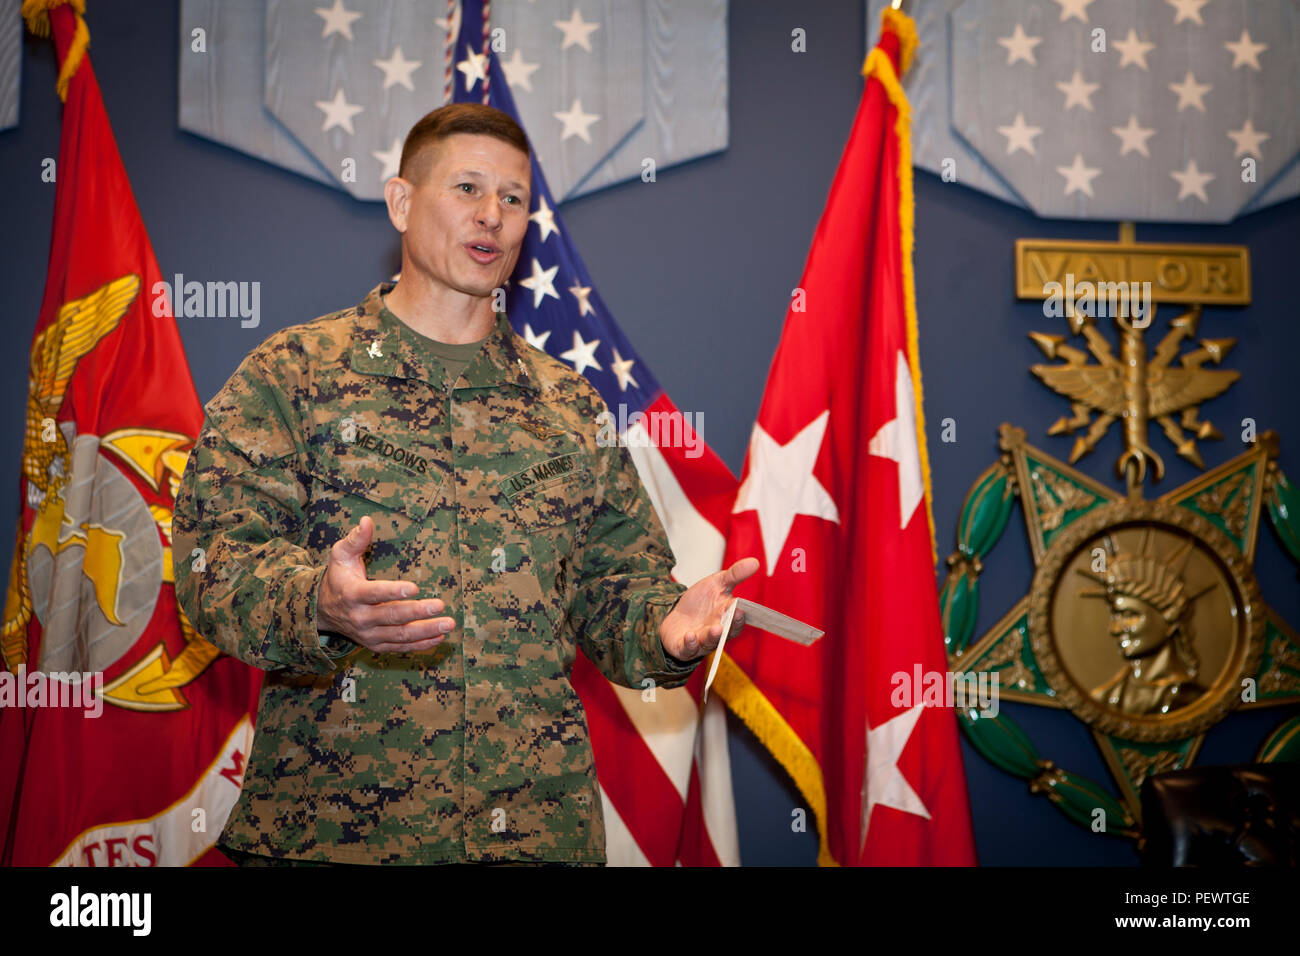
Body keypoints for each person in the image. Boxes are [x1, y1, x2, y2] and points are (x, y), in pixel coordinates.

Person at [172, 103, 757, 865]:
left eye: (513, 199)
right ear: (402, 202)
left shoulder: (568, 404)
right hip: (335, 837)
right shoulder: (294, 375)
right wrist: (316, 601)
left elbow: (614, 591)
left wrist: (666, 631)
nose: (492, 216)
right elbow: (210, 564)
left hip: (534, 836)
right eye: (467, 189)